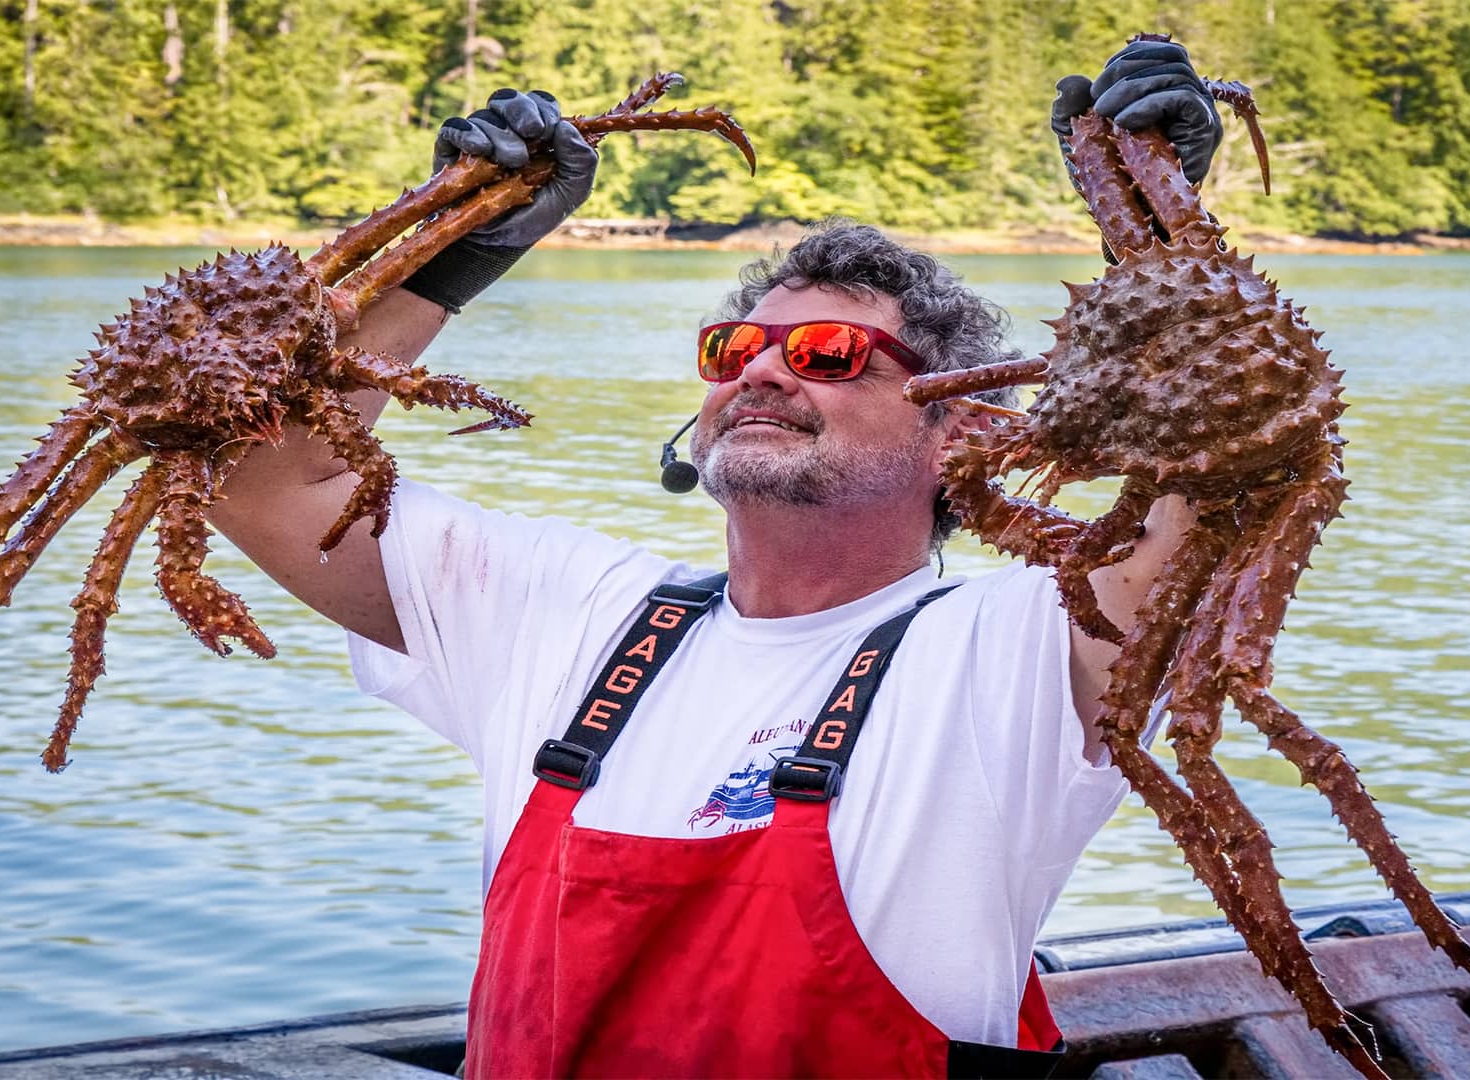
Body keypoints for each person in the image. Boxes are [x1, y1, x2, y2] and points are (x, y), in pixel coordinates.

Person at [210, 38, 1226, 1078]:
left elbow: (1217, 508)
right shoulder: (570, 612)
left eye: (829, 354)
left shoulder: (1019, 652)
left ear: (962, 433)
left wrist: (1157, 240)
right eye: (733, 351)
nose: (766, 371)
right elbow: (263, 478)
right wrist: (452, 247)